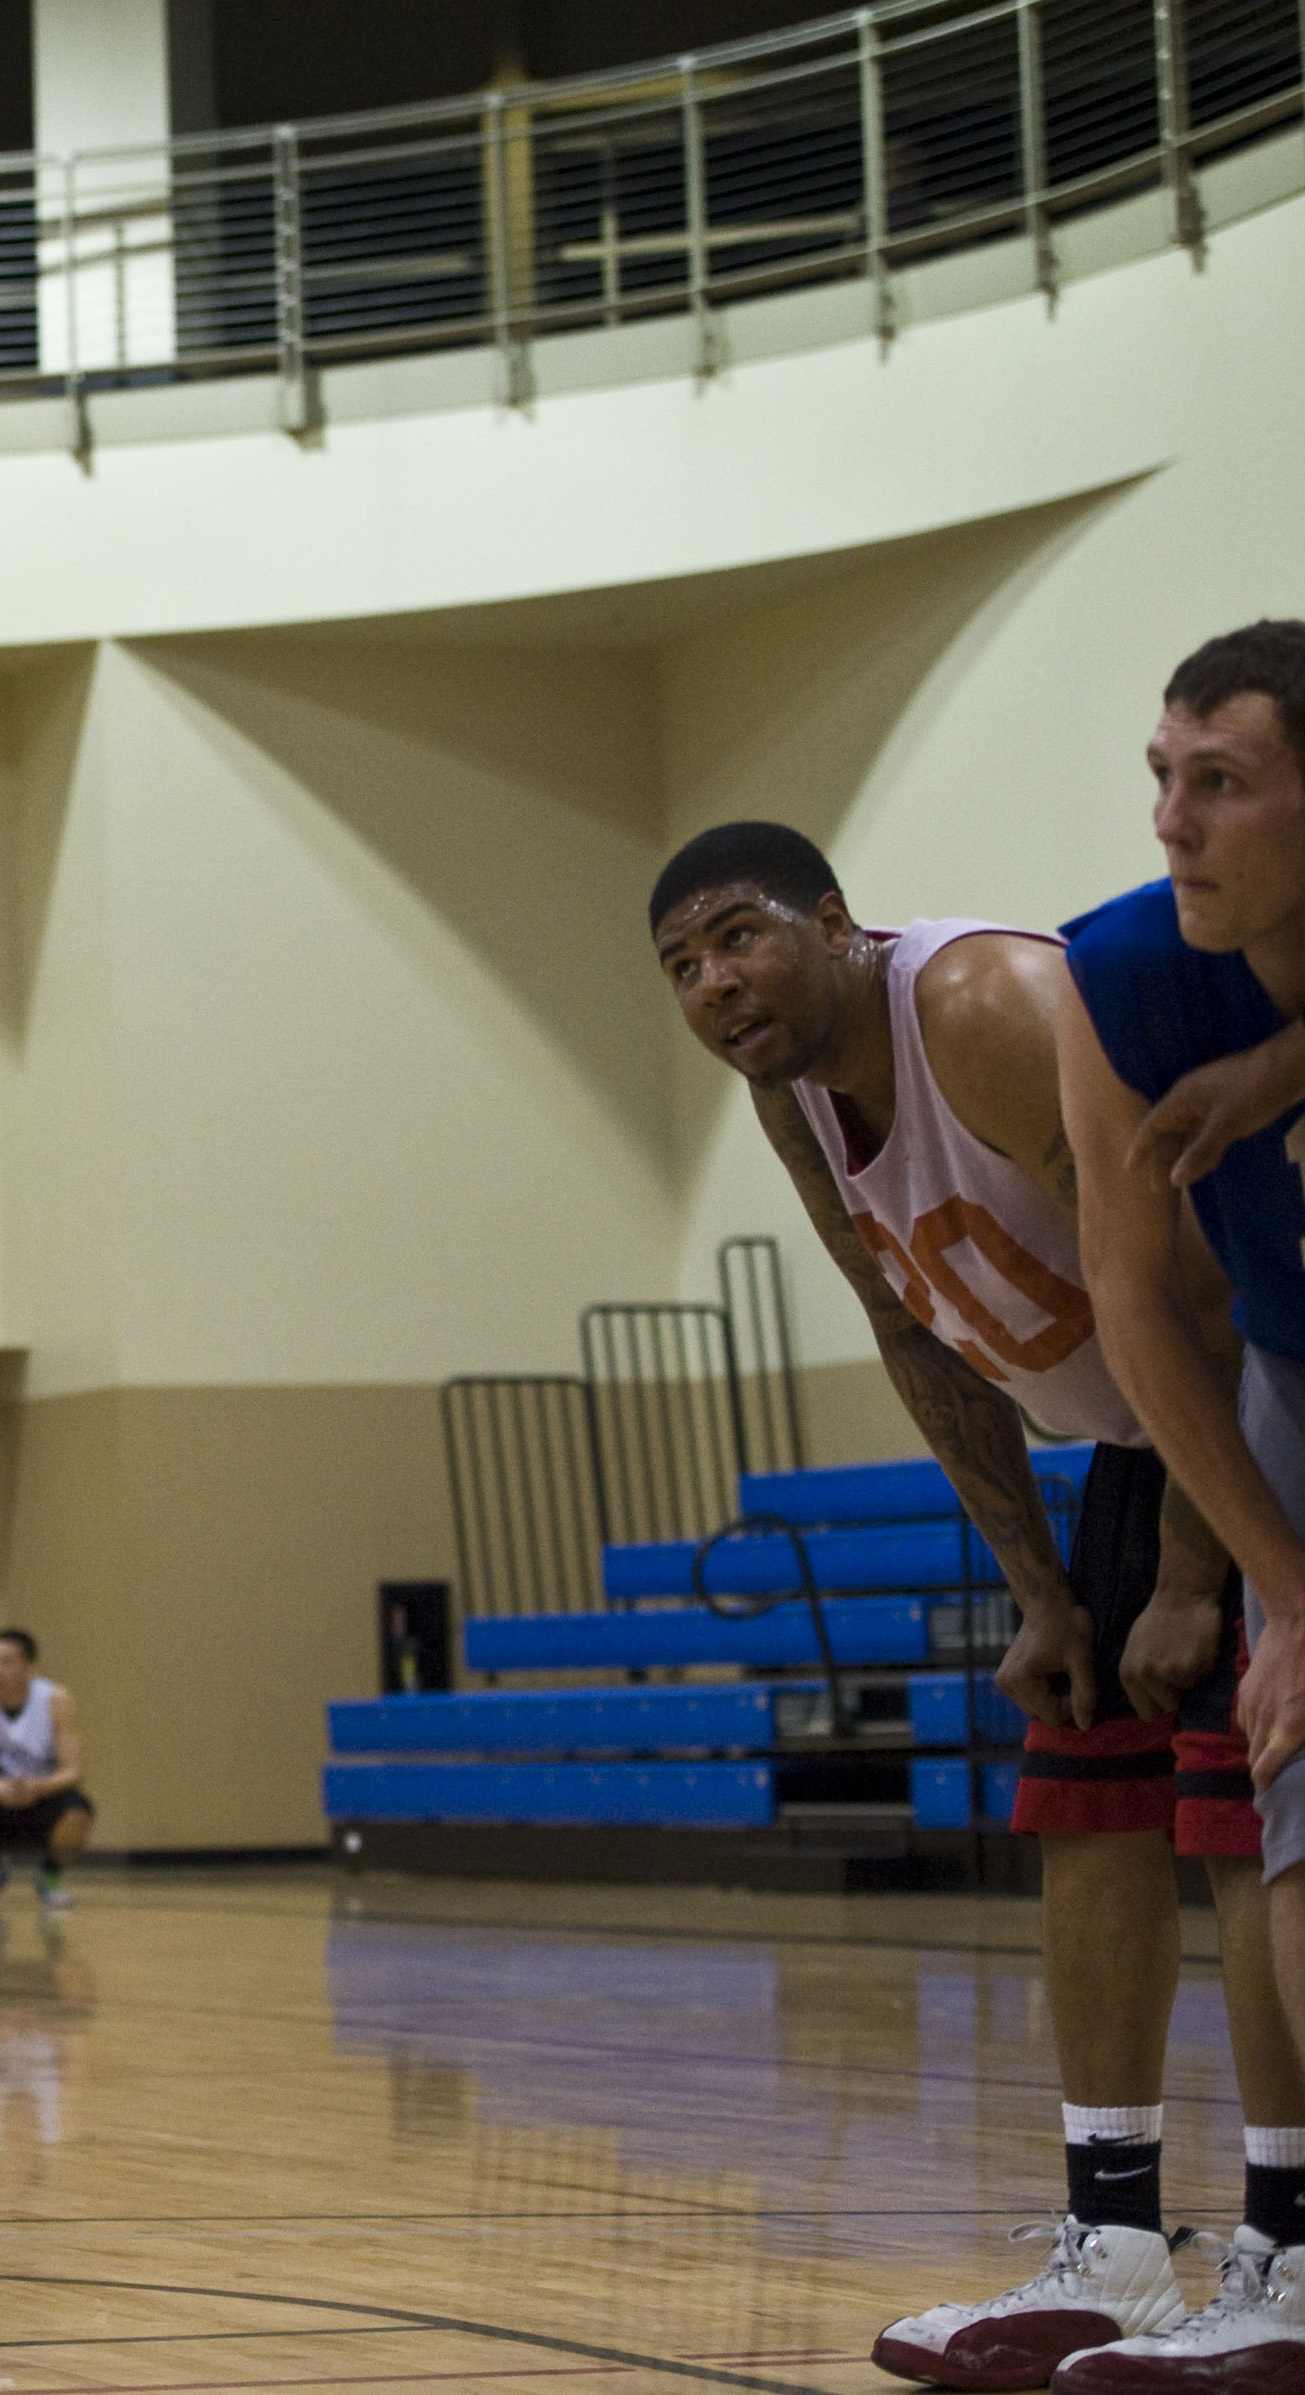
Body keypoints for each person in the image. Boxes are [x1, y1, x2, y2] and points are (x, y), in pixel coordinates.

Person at [647, 819, 1305, 2391]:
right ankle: (1120, 2236)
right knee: (1084, 1783)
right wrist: (1041, 1586)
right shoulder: (787, 1083)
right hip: (1136, 1441)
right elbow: (911, 1325)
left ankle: (1286, 2242)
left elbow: (1195, 1270)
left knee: (1234, 1797)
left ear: (834, 920)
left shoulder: (979, 1004)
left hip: (1252, 1397)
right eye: (680, 965)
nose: (715, 980)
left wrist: (1202, 1560)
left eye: (739, 936)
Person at [1057, 621, 1305, 2395]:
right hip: (1287, 1380)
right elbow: (1138, 1311)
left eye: (1220, 781)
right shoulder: (1125, 977)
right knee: (1293, 1784)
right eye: (1161, 775)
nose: (1173, 820)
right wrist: (1287, 1596)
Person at [0, 1630, 87, 1914]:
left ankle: (51, 1875)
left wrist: (37, 1787)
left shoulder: (56, 1700)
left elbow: (74, 1771)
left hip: (42, 1794)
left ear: (29, 1667)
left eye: (6, 1663)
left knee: (78, 1813)